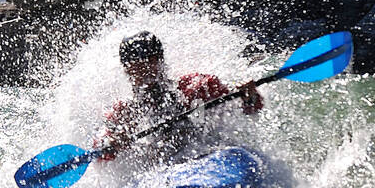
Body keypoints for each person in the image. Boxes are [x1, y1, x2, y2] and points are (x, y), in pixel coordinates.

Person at [94, 31, 264, 167]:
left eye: (151, 61)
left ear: (161, 60)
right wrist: (111, 144)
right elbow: (99, 150)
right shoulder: (125, 111)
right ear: (126, 70)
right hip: (162, 172)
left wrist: (249, 95)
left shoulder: (197, 87)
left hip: (208, 155)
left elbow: (249, 109)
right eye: (136, 66)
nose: (145, 70)